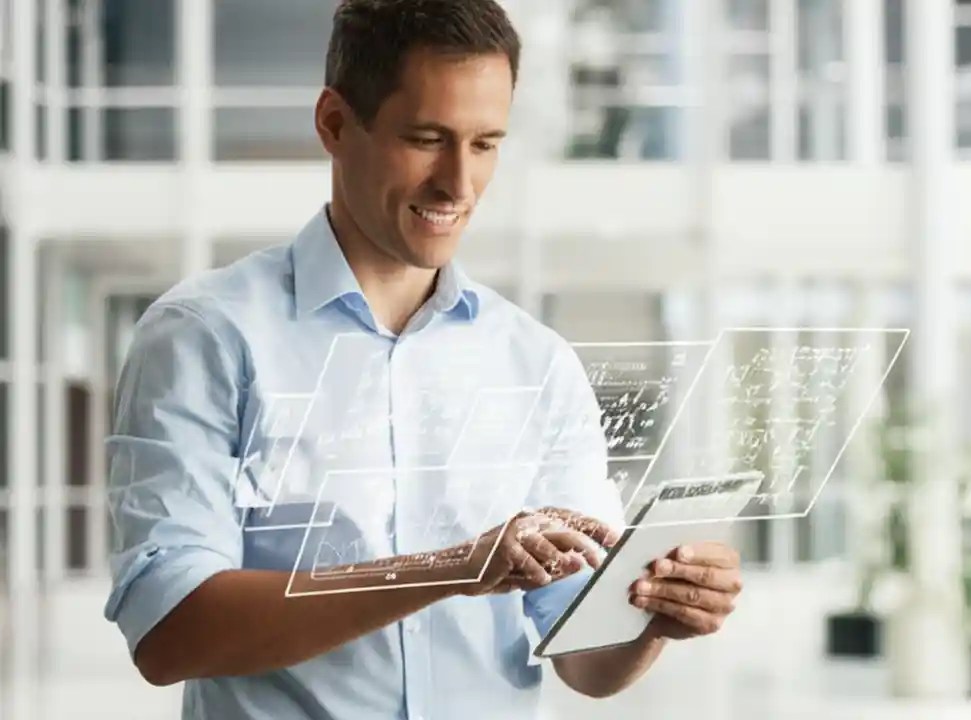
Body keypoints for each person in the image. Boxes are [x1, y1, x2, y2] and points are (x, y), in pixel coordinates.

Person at [103, 1, 744, 717]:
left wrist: (651, 615)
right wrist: (452, 568)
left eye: (486, 144)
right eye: (427, 138)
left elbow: (584, 657)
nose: (459, 185)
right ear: (335, 124)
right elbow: (169, 632)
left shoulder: (536, 362)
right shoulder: (206, 335)